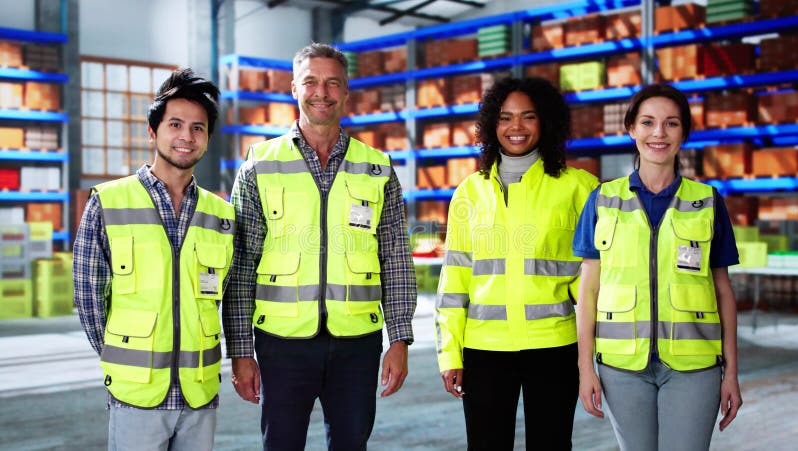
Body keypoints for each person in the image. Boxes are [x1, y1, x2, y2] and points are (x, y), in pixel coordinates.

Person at [221, 42, 416, 450]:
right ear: (294, 88)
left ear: (346, 92)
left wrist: (399, 339)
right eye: (310, 82)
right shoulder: (260, 165)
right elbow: (240, 266)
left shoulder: (377, 167)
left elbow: (396, 258)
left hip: (357, 343)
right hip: (281, 343)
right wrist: (240, 351)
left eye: (332, 83)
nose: (321, 92)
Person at [573, 83, 743, 450]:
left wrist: (731, 373)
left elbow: (724, 292)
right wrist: (585, 368)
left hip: (695, 366)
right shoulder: (603, 201)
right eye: (648, 122)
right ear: (631, 129)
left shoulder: (708, 202)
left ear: (684, 132)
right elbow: (587, 291)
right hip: (621, 367)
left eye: (671, 124)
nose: (658, 134)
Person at [435, 76, 599, 450]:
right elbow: (455, 279)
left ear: (546, 122)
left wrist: (593, 354)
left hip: (555, 344)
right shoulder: (469, 192)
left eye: (528, 117)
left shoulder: (579, 188)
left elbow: (594, 282)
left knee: (552, 444)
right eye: (506, 117)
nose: (516, 127)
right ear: (492, 124)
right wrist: (449, 352)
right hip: (484, 349)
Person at [73, 68, 233, 451]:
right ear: (153, 132)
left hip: (199, 392)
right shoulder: (109, 202)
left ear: (207, 139)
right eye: (175, 124)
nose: (186, 136)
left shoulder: (223, 215)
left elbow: (226, 296)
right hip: (136, 396)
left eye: (198, 128)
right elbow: (88, 296)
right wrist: (123, 355)